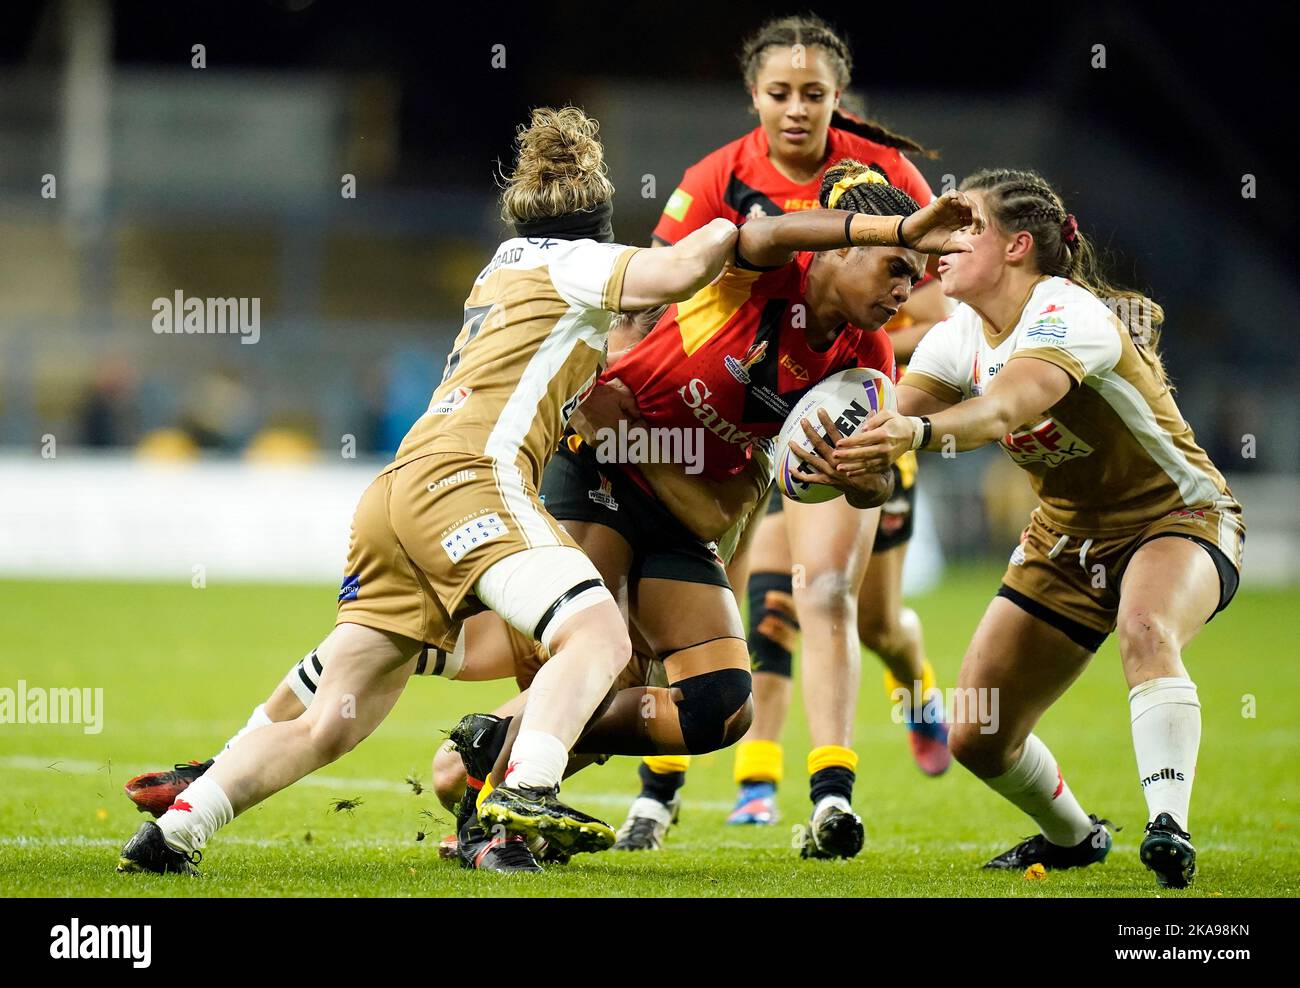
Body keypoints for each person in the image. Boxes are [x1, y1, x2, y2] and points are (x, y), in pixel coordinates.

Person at [114, 105, 742, 874]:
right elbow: (679, 272)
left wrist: (589, 391)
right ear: (600, 225)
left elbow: (549, 357)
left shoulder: (502, 266)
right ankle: (528, 787)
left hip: (396, 490)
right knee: (600, 637)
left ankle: (179, 828)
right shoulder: (577, 262)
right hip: (471, 480)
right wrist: (740, 222)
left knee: (331, 723)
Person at [836, 168, 1244, 889]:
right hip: (1065, 535)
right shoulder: (957, 334)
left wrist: (909, 432)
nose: (947, 244)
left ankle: (1168, 827)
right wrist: (841, 458)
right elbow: (893, 424)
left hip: (1176, 514)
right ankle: (1075, 838)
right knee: (978, 735)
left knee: (1145, 627)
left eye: (970, 228)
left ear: (1019, 246)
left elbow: (1000, 412)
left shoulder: (1067, 314)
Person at [618, 12, 953, 844]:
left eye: (814, 93)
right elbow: (657, 289)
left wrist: (844, 357)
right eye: (779, 93)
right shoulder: (716, 177)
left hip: (849, 410)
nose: (796, 109)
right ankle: (661, 792)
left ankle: (892, 712)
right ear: (753, 96)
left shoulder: (887, 176)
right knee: (716, 599)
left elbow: (940, 309)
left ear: (839, 97)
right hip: (732, 416)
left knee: (851, 605)